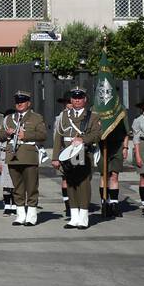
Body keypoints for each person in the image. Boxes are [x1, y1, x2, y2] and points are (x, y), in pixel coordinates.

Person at [51, 87, 103, 229]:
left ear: (85, 99)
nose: (77, 100)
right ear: (71, 100)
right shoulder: (64, 116)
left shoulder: (93, 116)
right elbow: (58, 137)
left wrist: (83, 139)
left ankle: (83, 217)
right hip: (68, 154)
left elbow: (97, 135)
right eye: (74, 98)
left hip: (84, 153)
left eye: (80, 98)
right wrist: (55, 157)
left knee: (83, 185)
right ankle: (74, 217)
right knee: (71, 184)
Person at [0, 90, 48, 226]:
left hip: (29, 155)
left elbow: (43, 135)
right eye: (17, 102)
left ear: (28, 103)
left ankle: (31, 215)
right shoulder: (9, 118)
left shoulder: (36, 118)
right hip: (13, 156)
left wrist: (26, 135)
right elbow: (0, 136)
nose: (19, 104)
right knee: (17, 187)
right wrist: (7, 134)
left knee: (31, 186)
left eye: (22, 101)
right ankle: (20, 215)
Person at [0, 116, 15, 218]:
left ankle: (14, 206)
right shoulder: (2, 133)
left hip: (13, 159)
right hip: (3, 159)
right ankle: (7, 206)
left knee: (14, 184)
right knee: (6, 185)